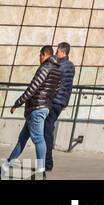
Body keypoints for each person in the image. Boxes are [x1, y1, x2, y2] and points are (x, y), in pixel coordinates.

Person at [3, 45, 61, 176]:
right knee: (22, 139)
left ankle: (41, 171)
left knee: (39, 139)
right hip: (43, 107)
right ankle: (6, 165)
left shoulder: (45, 68)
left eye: (40, 55)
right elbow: (55, 91)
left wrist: (17, 103)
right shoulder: (58, 71)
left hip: (36, 108)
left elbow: (32, 88)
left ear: (45, 55)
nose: (39, 57)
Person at [43, 42, 75, 174]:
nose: (56, 54)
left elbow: (54, 82)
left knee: (47, 130)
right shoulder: (71, 66)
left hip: (55, 101)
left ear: (63, 53)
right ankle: (46, 162)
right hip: (62, 102)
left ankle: (48, 162)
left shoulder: (60, 66)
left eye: (57, 52)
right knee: (49, 128)